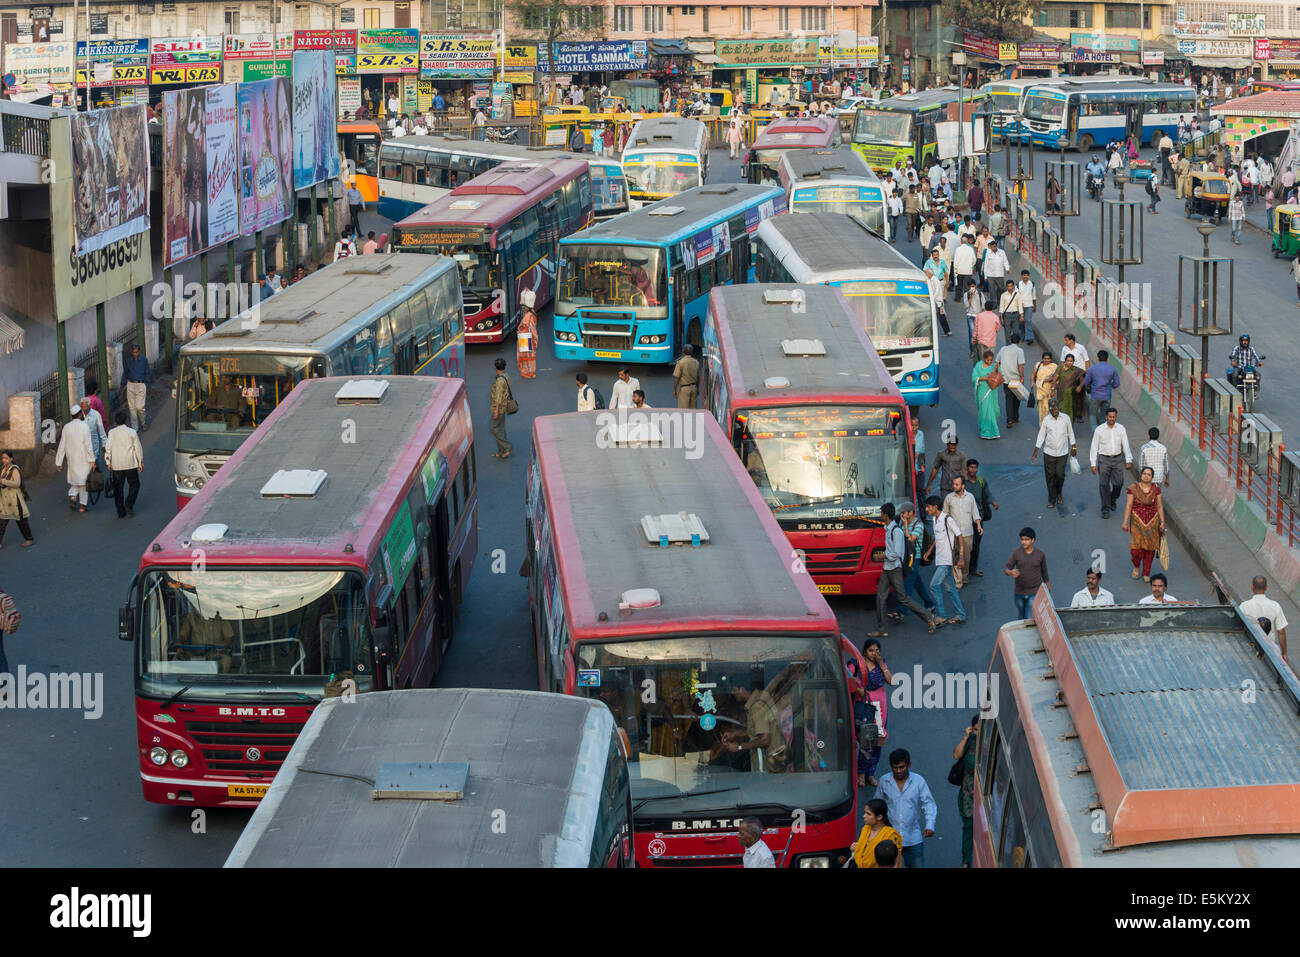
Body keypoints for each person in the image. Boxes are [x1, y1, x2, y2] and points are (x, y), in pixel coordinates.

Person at [868, 503, 939, 636]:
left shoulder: (897, 531)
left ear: (886, 515)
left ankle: (928, 616)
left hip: (895, 569)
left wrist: (884, 555)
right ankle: (882, 629)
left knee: (904, 598)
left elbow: (898, 553)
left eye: (881, 513)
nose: (880, 515)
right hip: (887, 568)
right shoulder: (888, 528)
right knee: (880, 597)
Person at [875, 749, 937, 869]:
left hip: (913, 839)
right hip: (889, 838)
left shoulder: (918, 781)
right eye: (895, 768)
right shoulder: (884, 781)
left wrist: (930, 825)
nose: (898, 771)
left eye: (901, 767)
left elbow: (929, 804)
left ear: (909, 765)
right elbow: (877, 805)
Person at [925, 495, 967, 625]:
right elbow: (937, 538)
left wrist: (961, 556)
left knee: (933, 585)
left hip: (947, 560)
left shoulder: (947, 519)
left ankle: (941, 615)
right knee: (951, 589)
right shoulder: (934, 519)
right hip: (940, 559)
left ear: (935, 507)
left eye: (928, 507)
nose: (927, 509)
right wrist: (929, 551)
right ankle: (961, 615)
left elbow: (959, 536)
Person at [859, 639, 893, 786]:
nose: (874, 653)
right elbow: (851, 681)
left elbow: (890, 680)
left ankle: (870, 774)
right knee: (866, 738)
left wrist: (880, 664)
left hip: (880, 706)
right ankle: (861, 773)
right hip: (866, 704)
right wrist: (862, 692)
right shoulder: (857, 664)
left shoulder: (881, 664)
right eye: (871, 650)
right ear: (865, 651)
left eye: (876, 650)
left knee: (878, 739)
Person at [1122, 465, 1165, 581]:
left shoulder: (1156, 489)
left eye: (1149, 474)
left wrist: (1162, 522)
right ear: (1141, 475)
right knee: (1136, 550)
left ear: (1152, 477)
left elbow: (1159, 506)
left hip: (1153, 522)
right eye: (1144, 474)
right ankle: (1136, 567)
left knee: (1150, 549)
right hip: (1137, 522)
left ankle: (1146, 572)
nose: (1146, 476)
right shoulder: (1133, 488)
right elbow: (1129, 505)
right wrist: (1125, 522)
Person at [1032, 399, 1077, 508]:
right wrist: (1036, 450)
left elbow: (1070, 432)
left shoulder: (1065, 418)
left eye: (1055, 408)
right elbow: (1041, 435)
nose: (1053, 411)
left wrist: (1074, 447)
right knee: (1050, 477)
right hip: (1049, 453)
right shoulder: (1046, 420)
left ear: (1059, 407)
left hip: (1063, 453)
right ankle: (1052, 499)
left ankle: (1058, 492)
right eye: (1051, 409)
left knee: (1060, 475)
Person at [1090, 406, 1133, 519]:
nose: (1112, 419)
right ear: (1106, 417)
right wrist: (1093, 463)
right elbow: (1094, 447)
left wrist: (1128, 460)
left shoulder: (1121, 429)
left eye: (1114, 417)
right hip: (1104, 460)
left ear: (1116, 417)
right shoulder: (1099, 430)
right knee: (1104, 485)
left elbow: (1126, 445)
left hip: (1118, 459)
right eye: (1110, 417)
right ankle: (1105, 509)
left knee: (1119, 483)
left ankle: (1112, 499)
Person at [897, 502, 935, 620]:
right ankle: (929, 604)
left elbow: (911, 539)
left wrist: (905, 525)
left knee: (908, 585)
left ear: (911, 512)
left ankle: (900, 611)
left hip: (914, 558)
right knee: (917, 583)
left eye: (904, 513)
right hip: (906, 557)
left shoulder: (919, 525)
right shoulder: (902, 523)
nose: (902, 515)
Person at [54, 404, 95, 513]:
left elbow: (62, 444)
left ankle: (73, 496)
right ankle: (82, 506)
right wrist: (92, 460)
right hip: (84, 458)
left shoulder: (66, 427)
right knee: (83, 482)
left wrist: (59, 462)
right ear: (80, 414)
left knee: (75, 480)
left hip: (71, 458)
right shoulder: (84, 426)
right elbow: (88, 444)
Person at [104, 409, 144, 519]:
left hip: (116, 465)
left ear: (116, 421)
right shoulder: (132, 432)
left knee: (118, 489)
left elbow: (108, 448)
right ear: (125, 420)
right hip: (130, 464)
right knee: (135, 484)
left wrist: (108, 461)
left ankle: (120, 511)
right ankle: (129, 503)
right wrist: (140, 462)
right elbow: (138, 448)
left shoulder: (112, 433)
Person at [1240, 575, 1289, 662]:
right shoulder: (1275, 606)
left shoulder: (1244, 606)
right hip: (1270, 650)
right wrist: (1284, 653)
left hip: (1251, 648)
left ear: (1252, 587)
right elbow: (1281, 631)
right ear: (1266, 587)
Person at [1004, 527, 1049, 620]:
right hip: (1019, 592)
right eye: (1022, 539)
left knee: (1028, 616)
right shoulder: (1016, 553)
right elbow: (1007, 568)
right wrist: (1010, 572)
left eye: (1026, 539)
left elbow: (1044, 571)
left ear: (1033, 540)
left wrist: (1047, 586)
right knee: (1021, 615)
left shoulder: (1040, 555)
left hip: (1034, 591)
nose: (1023, 542)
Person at [965, 460, 997, 577]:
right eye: (971, 467)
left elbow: (987, 494)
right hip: (965, 518)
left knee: (976, 545)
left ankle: (973, 568)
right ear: (967, 468)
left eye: (975, 467)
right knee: (966, 545)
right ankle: (963, 569)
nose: (973, 470)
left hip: (978, 517)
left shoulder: (981, 481)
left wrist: (993, 503)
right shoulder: (963, 482)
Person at [953, 715, 979, 867]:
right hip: (968, 794)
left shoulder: (994, 742)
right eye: (975, 729)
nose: (978, 732)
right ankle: (966, 861)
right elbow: (956, 755)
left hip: (986, 791)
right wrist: (966, 737)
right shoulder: (971, 741)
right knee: (968, 828)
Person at [851, 799, 903, 869]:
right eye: (865, 813)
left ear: (879, 817)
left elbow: (896, 863)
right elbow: (863, 850)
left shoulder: (891, 835)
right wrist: (855, 848)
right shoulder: (865, 829)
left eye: (868, 814)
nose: (864, 816)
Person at [0, 450, 34, 548]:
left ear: (11, 459)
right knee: (2, 522)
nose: (4, 460)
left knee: (21, 521)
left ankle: (29, 539)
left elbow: (17, 484)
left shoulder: (14, 469)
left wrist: (2, 480)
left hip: (15, 500)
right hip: (5, 501)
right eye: (3, 458)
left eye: (6, 458)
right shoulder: (3, 469)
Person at [995, 332, 1026, 428]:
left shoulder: (1003, 349)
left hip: (1005, 379)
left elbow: (997, 362)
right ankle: (1015, 417)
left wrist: (997, 374)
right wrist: (1022, 377)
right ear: (1019, 342)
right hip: (1015, 379)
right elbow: (1020, 365)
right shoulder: (1019, 351)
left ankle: (1009, 419)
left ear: (1010, 340)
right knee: (1017, 398)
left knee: (1008, 399)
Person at [1082, 349, 1120, 425]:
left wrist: (1091, 386)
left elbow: (1086, 382)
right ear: (1108, 359)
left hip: (1095, 395)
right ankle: (1103, 431)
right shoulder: (1112, 369)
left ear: (1098, 358)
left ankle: (1094, 430)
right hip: (1107, 395)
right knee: (1104, 415)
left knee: (1092, 414)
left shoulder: (1092, 369)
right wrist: (1110, 386)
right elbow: (1117, 384)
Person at [121, 343, 151, 432]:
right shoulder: (128, 361)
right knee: (131, 408)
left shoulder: (144, 360)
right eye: (133, 352)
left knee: (140, 407)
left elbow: (147, 372)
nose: (135, 354)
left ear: (139, 351)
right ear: (131, 352)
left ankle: (143, 422)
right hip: (130, 384)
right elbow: (125, 373)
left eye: (136, 352)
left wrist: (146, 383)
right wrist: (122, 385)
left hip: (141, 384)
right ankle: (135, 428)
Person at [973, 349, 1002, 441]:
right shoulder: (978, 366)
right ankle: (985, 432)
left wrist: (997, 370)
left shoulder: (994, 366)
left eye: (991, 360)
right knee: (984, 411)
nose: (989, 362)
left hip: (991, 392)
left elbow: (1001, 376)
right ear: (984, 359)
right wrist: (983, 378)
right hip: (982, 392)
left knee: (993, 411)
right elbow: (974, 378)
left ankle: (992, 431)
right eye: (987, 360)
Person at [488, 357, 513, 459]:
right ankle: (502, 452)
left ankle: (507, 447)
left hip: (499, 407)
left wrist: (496, 411)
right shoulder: (506, 376)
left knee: (493, 428)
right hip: (504, 405)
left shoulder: (499, 381)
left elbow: (498, 396)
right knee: (500, 428)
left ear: (495, 367)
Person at [1056, 353, 1085, 423]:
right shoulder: (1060, 368)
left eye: (1071, 361)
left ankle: (1070, 428)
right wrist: (1052, 388)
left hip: (1072, 395)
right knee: (1061, 409)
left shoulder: (1076, 371)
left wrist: (1080, 387)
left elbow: (1082, 381)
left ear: (1073, 362)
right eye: (1068, 361)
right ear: (1065, 361)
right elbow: (1055, 378)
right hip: (1061, 394)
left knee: (1071, 411)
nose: (1069, 362)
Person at [516, 289, 538, 379]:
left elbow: (531, 328)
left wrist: (520, 329)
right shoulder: (531, 315)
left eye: (524, 307)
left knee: (525, 356)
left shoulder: (529, 316)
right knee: (529, 356)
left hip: (526, 337)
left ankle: (527, 372)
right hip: (529, 338)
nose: (523, 309)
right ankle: (531, 372)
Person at [1032, 351, 1058, 421]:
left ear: (1051, 359)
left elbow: (1056, 378)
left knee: (1048, 408)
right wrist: (1032, 382)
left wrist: (1050, 380)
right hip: (1039, 390)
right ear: (1042, 358)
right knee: (1040, 408)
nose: (1046, 360)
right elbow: (1033, 373)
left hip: (1048, 390)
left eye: (1048, 359)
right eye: (1045, 358)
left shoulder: (1054, 366)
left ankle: (1048, 425)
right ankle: (1042, 425)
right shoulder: (1038, 365)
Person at [951, 234, 976, 303]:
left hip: (959, 270)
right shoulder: (970, 249)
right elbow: (974, 260)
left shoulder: (958, 249)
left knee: (959, 286)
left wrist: (955, 270)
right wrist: (971, 266)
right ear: (967, 241)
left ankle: (958, 298)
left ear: (961, 242)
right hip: (968, 271)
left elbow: (956, 261)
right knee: (967, 287)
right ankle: (968, 299)